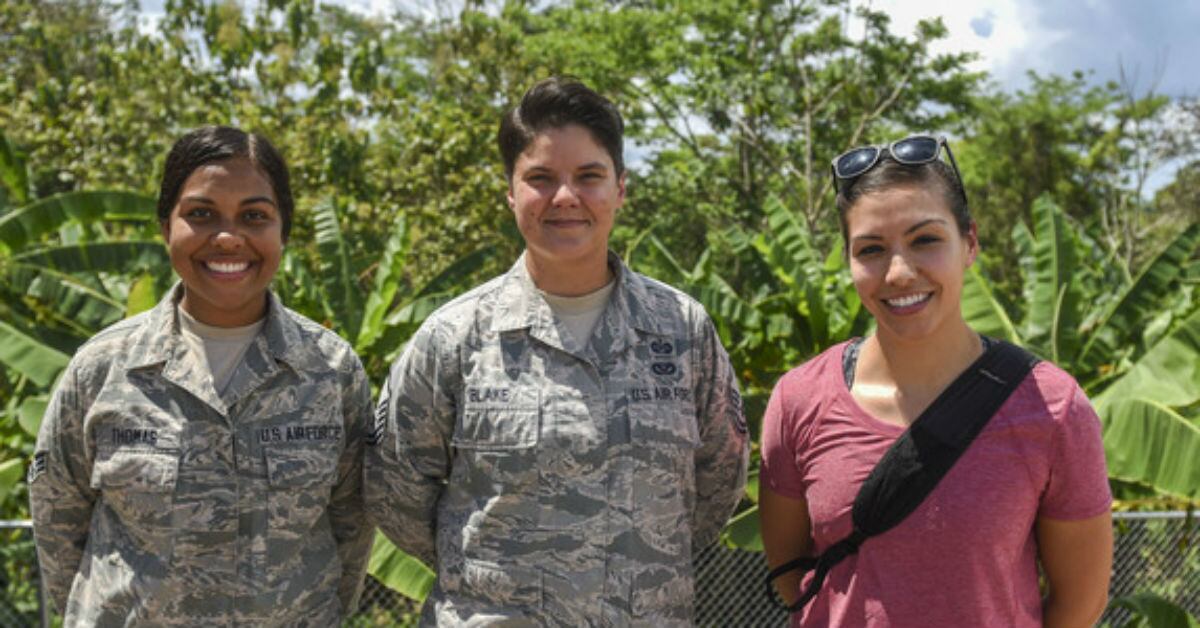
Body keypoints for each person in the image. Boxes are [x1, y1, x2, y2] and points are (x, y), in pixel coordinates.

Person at [365, 77, 749, 626]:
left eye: (589, 176)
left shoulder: (682, 331)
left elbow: (718, 484)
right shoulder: (454, 337)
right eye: (540, 179)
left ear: (620, 189)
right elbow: (396, 493)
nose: (565, 197)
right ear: (511, 192)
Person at [759, 135, 1113, 627]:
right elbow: (792, 575)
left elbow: (1080, 604)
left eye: (925, 240)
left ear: (970, 243)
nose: (899, 273)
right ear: (848, 260)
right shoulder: (799, 399)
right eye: (871, 249)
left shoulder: (1052, 408)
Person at [28, 126, 374, 626]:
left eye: (254, 216)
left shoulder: (331, 371)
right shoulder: (102, 368)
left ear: (284, 231)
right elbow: (58, 522)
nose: (228, 237)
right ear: (166, 227)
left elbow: (352, 525)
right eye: (201, 214)